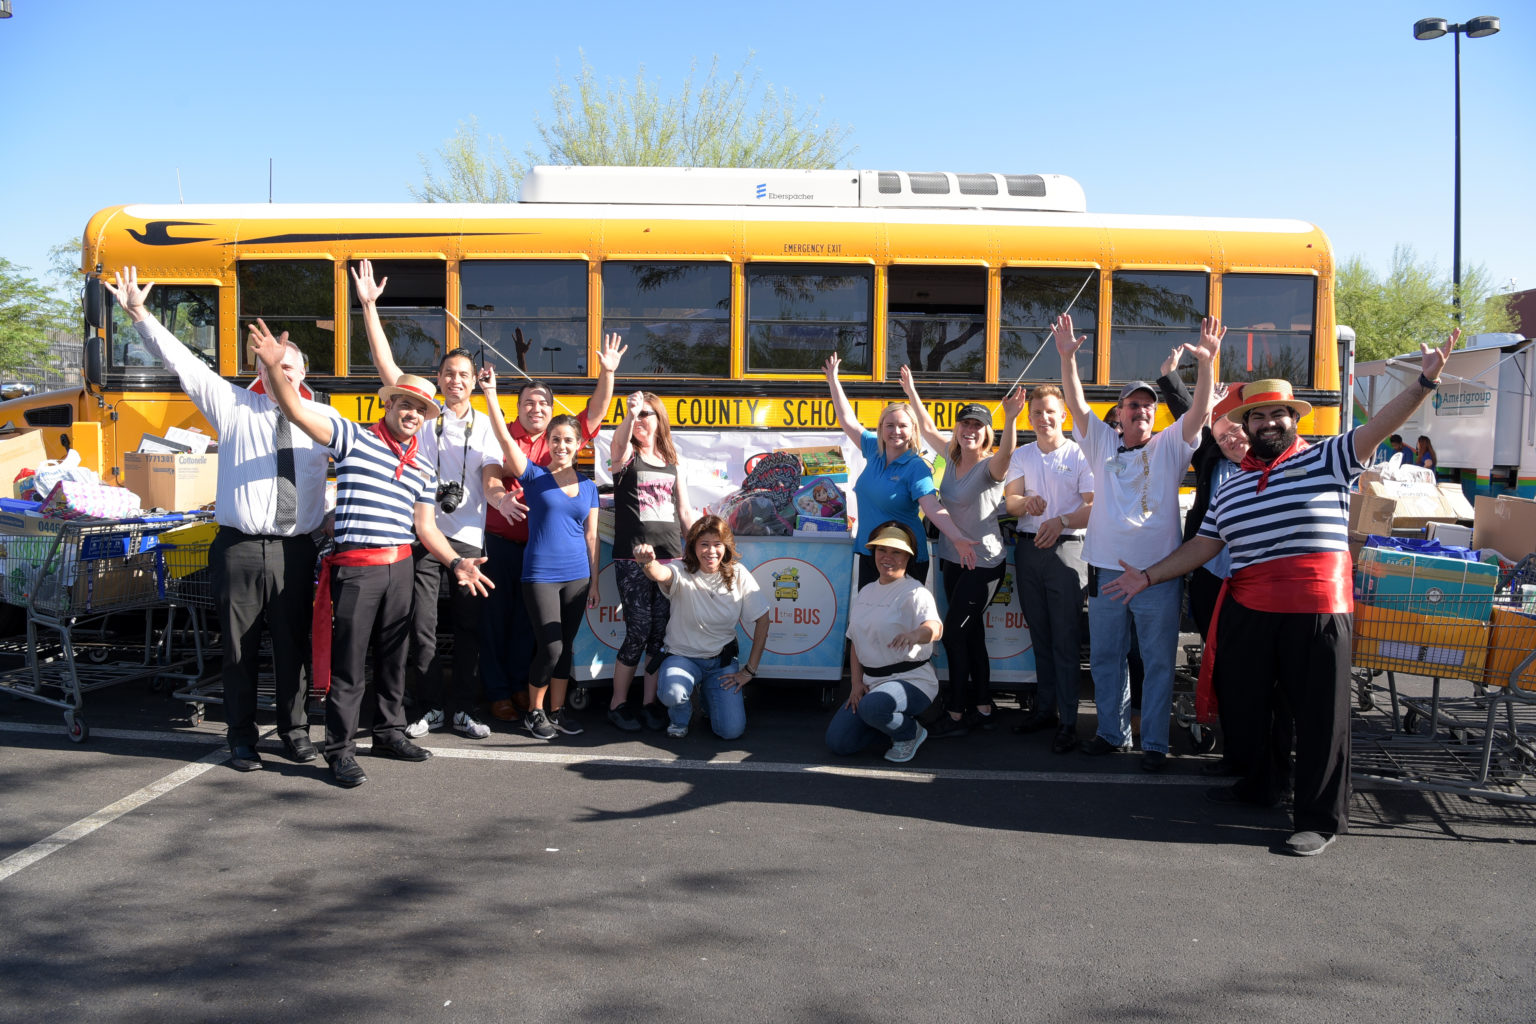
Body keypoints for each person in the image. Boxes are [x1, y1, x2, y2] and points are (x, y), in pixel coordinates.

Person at [1105, 330, 1459, 856]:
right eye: (1258, 416)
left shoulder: (1328, 458)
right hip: (1250, 610)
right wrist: (1149, 575)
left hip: (1315, 609)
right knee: (1251, 709)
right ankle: (1260, 786)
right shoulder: (1231, 485)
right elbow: (1204, 544)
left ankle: (1318, 819)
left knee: (1319, 719)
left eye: (1279, 415)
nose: (1268, 423)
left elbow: (1379, 426)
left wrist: (1424, 383)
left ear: (1295, 420)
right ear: (1247, 424)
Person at [106, 268, 331, 774]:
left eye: (288, 366)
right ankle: (241, 738)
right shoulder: (232, 405)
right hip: (239, 549)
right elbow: (182, 361)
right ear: (258, 368)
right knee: (238, 649)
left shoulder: (325, 420)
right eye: (271, 364)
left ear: (303, 373)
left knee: (294, 648)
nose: (280, 372)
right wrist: (140, 314)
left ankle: (296, 732)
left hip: (296, 550)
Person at [249, 320, 492, 788]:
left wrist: (456, 562)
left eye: (420, 409)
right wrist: (276, 369)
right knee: (351, 662)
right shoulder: (352, 436)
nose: (412, 414)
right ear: (390, 404)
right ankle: (339, 750)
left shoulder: (422, 468)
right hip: (358, 569)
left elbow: (426, 527)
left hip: (400, 566)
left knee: (394, 658)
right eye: (406, 404)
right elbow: (296, 411)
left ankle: (388, 732)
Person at [1054, 311, 1221, 773]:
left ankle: (1155, 743)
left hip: (1157, 577)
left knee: (1158, 661)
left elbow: (1200, 411)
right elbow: (1076, 403)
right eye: (1133, 405)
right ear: (1119, 413)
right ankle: (1111, 733)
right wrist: (1067, 357)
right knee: (1106, 658)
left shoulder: (1171, 444)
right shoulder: (1101, 443)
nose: (1142, 411)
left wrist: (1207, 363)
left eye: (1148, 405)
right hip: (1106, 572)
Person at [354, 260, 506, 742]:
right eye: (448, 373)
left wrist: (500, 497)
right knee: (422, 627)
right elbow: (386, 366)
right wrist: (369, 307)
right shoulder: (422, 415)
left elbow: (491, 476)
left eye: (463, 374)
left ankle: (462, 709)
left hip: (468, 540)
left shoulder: (485, 425)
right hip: (423, 536)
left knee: (468, 630)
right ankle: (430, 707)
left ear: (473, 381)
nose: (455, 380)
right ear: (438, 379)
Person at [478, 337, 625, 723]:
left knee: (533, 631)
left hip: (545, 554)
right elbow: (491, 476)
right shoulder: (506, 437)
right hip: (502, 544)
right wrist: (500, 499)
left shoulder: (558, 441)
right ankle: (498, 694)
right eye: (529, 402)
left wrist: (607, 372)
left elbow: (596, 409)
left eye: (543, 402)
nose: (536, 408)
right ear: (518, 407)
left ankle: (524, 690)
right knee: (495, 622)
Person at [900, 369, 1025, 736]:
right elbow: (925, 425)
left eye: (977, 426)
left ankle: (955, 712)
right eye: (965, 424)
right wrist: (911, 389)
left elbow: (1008, 453)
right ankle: (983, 707)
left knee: (954, 635)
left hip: (983, 564)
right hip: (953, 560)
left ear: (986, 433)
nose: (970, 430)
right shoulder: (950, 457)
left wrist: (1011, 418)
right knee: (971, 636)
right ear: (957, 429)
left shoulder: (990, 466)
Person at [823, 355, 977, 589]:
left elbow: (932, 507)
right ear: (881, 428)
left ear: (913, 430)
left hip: (904, 555)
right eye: (890, 425)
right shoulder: (873, 449)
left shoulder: (916, 467)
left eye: (903, 426)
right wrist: (833, 381)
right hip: (871, 551)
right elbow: (847, 420)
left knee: (901, 613)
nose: (896, 431)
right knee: (871, 609)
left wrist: (957, 538)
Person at [1003, 384, 1095, 753]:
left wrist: (1062, 520)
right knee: (1040, 636)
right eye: (1037, 413)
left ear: (1063, 415)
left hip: (1067, 550)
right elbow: (1010, 501)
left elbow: (1094, 505)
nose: (1044, 419)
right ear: (1030, 418)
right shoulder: (1022, 455)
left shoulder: (1079, 454)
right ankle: (1046, 710)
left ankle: (1069, 722)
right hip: (1028, 551)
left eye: (1050, 412)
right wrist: (1025, 503)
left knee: (1065, 640)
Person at [496, 414, 600, 740]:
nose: (561, 446)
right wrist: (491, 394)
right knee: (551, 647)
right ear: (548, 442)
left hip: (578, 576)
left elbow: (592, 537)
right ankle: (535, 711)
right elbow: (505, 441)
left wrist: (595, 582)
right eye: (555, 439)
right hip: (540, 575)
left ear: (579, 444)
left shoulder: (589, 487)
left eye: (568, 440)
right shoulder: (533, 475)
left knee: (566, 647)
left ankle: (557, 710)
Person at [606, 390, 698, 731]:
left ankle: (650, 703)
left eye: (646, 414)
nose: (639, 419)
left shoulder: (674, 461)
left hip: (671, 557)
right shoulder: (625, 455)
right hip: (632, 558)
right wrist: (629, 413)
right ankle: (617, 703)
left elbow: (684, 511)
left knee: (660, 634)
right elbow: (618, 443)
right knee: (638, 630)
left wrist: (700, 548)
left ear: (660, 420)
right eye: (636, 414)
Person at [633, 515, 770, 740]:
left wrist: (749, 671)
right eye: (704, 544)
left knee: (730, 731)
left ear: (726, 546)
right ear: (693, 547)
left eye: (717, 544)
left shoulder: (738, 574)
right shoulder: (681, 569)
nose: (711, 551)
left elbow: (763, 619)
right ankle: (680, 718)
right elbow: (660, 573)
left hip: (720, 663)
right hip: (682, 657)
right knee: (673, 692)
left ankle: (708, 697)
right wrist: (647, 562)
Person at [825, 522, 945, 763]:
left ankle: (909, 733)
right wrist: (856, 684)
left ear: (908, 557)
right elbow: (856, 642)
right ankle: (885, 722)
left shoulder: (915, 591)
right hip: (871, 684)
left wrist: (915, 635)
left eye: (896, 552)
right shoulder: (866, 591)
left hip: (911, 681)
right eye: (882, 550)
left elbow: (936, 628)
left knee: (873, 707)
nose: (887, 557)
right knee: (839, 742)